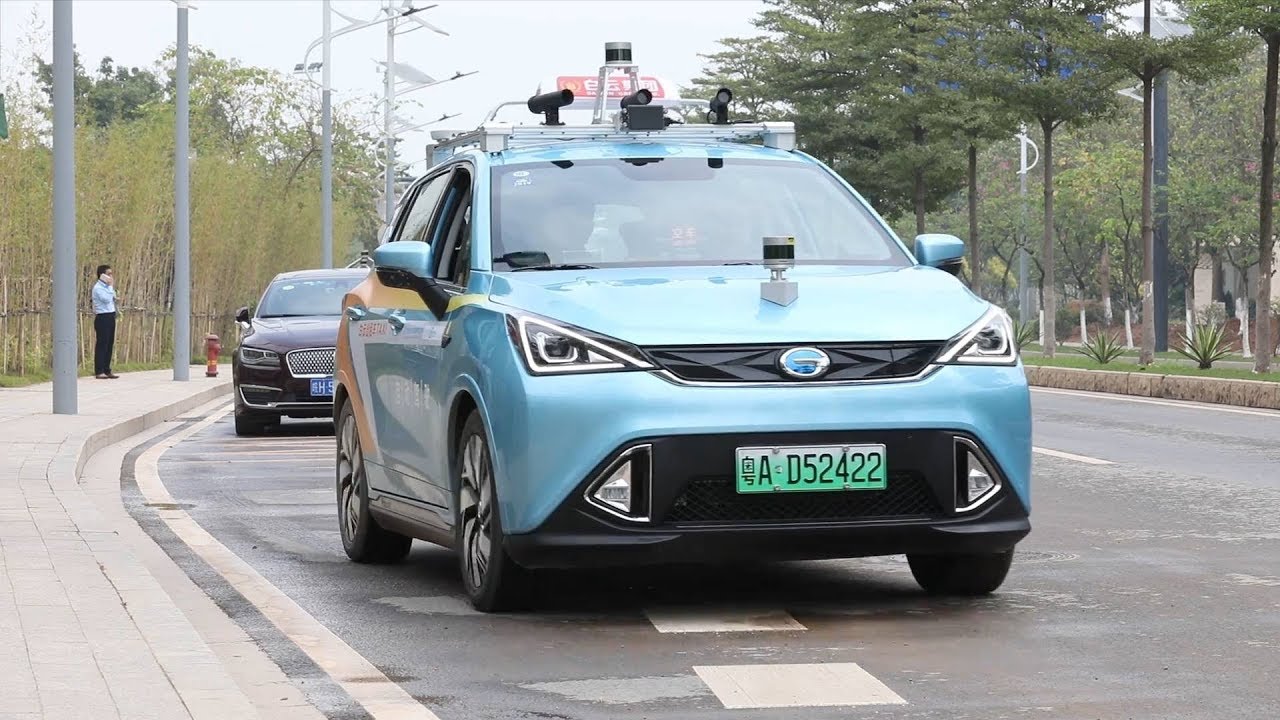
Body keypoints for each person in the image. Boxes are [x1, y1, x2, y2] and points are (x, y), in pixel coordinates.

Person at [91, 264, 119, 379]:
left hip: (111, 316)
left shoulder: (107, 288)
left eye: (111, 274)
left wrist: (111, 289)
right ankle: (99, 370)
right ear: (101, 275)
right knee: (102, 344)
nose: (111, 276)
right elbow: (107, 299)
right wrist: (111, 287)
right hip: (103, 317)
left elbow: (114, 298)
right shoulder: (98, 288)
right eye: (108, 274)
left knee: (109, 344)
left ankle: (107, 369)